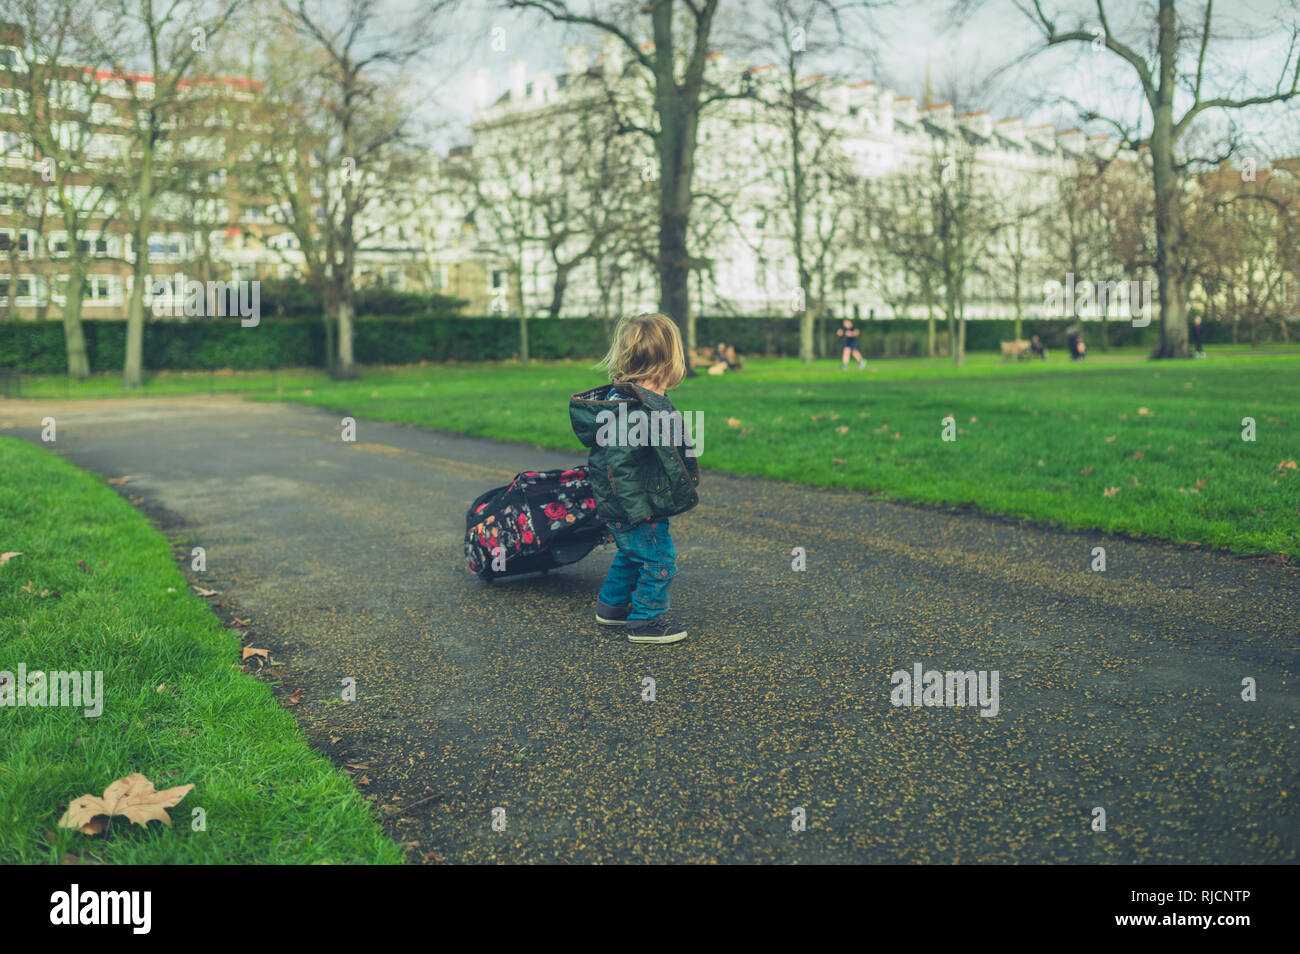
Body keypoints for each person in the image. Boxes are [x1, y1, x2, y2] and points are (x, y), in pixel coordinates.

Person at [569, 313, 700, 645]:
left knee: (630, 554)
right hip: (637, 507)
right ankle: (646, 621)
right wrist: (638, 510)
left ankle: (611, 608)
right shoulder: (633, 411)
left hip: (631, 503)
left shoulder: (636, 403)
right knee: (659, 559)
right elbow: (619, 467)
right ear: (665, 364)